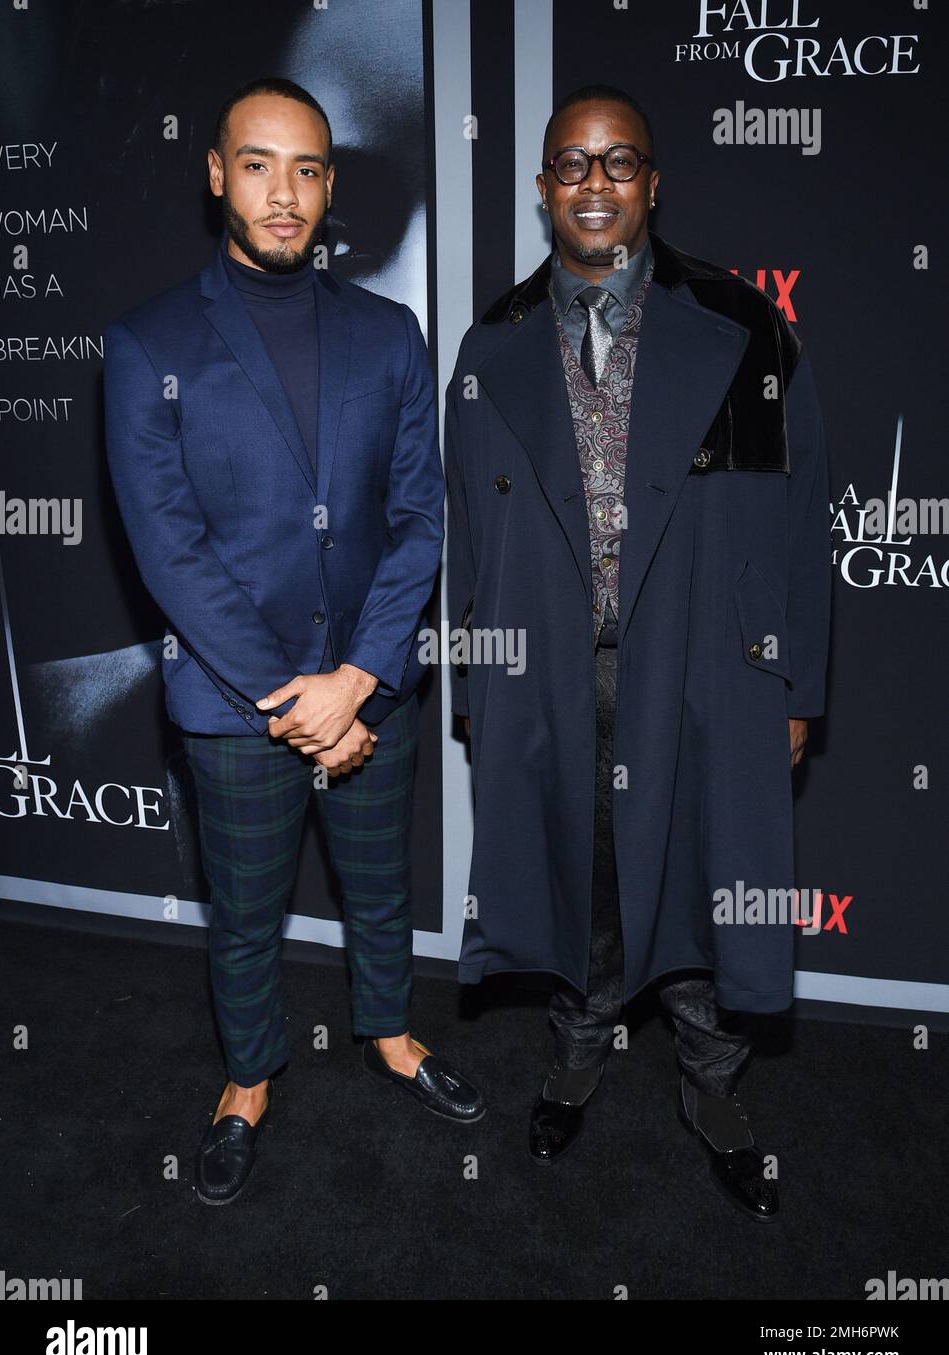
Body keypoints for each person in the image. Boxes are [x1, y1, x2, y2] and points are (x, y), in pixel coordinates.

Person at [444, 84, 831, 1220]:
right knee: (582, 871)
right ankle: (576, 1053)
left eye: (619, 163)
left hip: (705, 663)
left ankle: (711, 1085)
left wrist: (795, 680)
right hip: (556, 669)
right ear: (541, 190)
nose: (595, 184)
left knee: (708, 879)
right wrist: (480, 673)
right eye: (572, 164)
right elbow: (470, 525)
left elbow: (802, 513)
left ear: (652, 183)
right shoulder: (491, 343)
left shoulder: (743, 324)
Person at [103, 77, 484, 1206]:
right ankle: (248, 1078)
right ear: (217, 173)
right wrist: (293, 695)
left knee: (379, 888)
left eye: (307, 169)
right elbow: (168, 552)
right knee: (246, 910)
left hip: (374, 687)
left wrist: (360, 677)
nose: (285, 192)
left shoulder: (390, 334)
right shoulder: (146, 343)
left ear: (328, 188)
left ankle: (387, 1032)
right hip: (236, 705)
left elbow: (422, 515)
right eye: (258, 164)